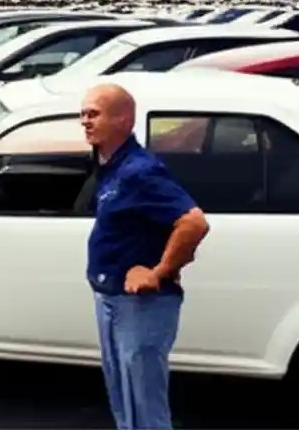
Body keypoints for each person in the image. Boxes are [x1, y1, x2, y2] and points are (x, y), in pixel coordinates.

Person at [81, 83, 210, 430]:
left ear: (123, 119)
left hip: (139, 305)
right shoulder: (111, 164)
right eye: (83, 114)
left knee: (144, 403)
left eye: (93, 114)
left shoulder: (139, 171)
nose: (85, 121)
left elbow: (193, 222)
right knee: (123, 398)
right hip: (111, 298)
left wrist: (161, 270)